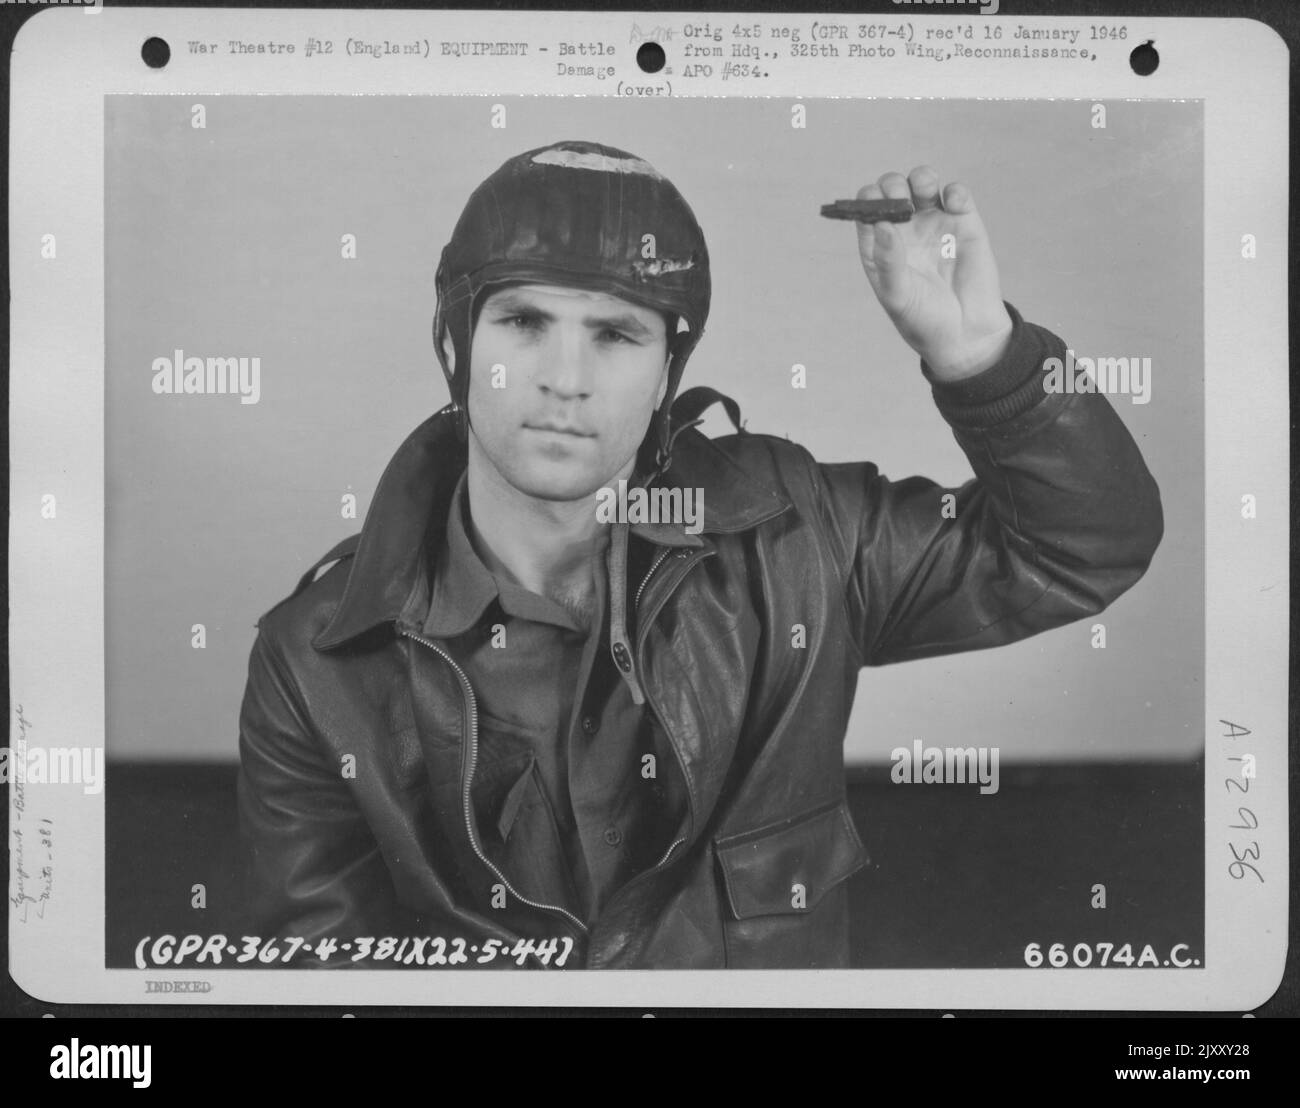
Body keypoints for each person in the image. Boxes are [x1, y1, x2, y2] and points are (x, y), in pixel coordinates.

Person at [236, 139, 1163, 969]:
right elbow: (334, 989)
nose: (564, 377)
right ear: (457, 343)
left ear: (668, 369)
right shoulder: (315, 660)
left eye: (616, 332)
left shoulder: (795, 534)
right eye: (523, 322)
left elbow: (1083, 546)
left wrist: (983, 357)